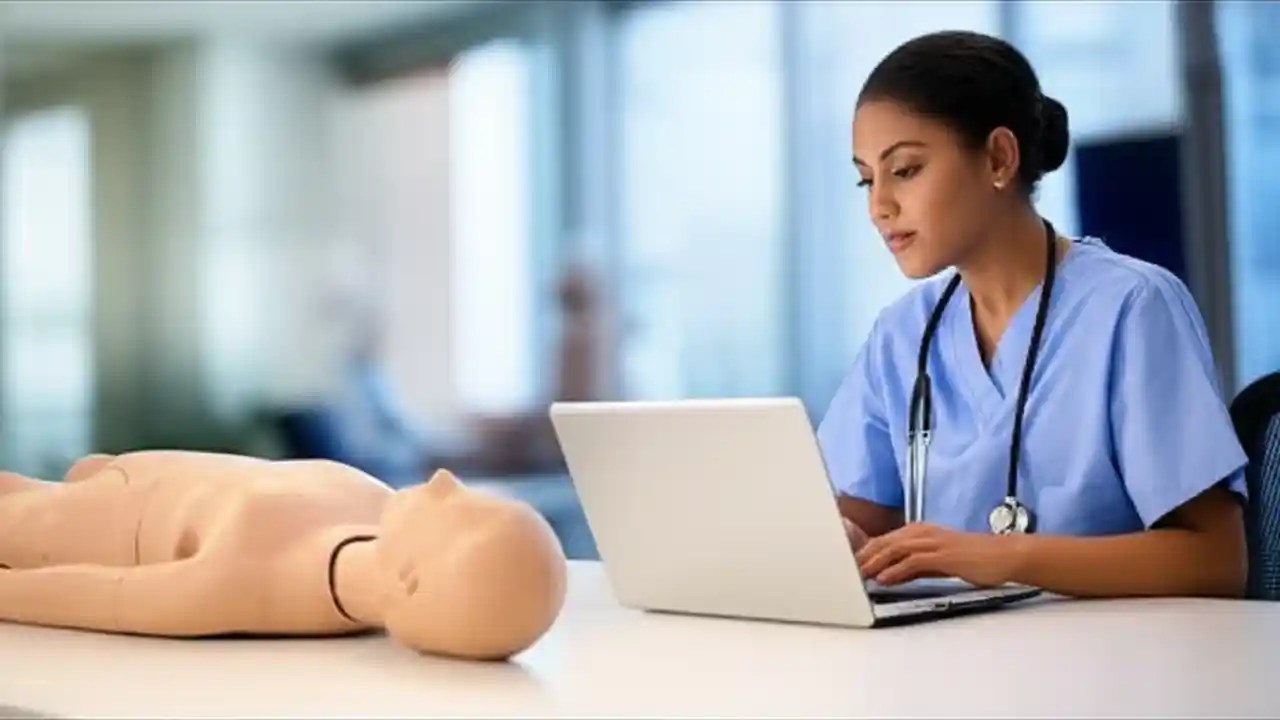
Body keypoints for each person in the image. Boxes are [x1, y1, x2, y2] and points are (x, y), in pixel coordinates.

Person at [819, 30, 1249, 599]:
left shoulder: (1133, 308)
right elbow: (862, 527)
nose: (879, 207)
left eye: (905, 170)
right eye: (866, 179)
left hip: (1116, 650)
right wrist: (839, 540)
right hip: (950, 650)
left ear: (999, 158)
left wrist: (1007, 557)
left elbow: (1216, 560)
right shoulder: (900, 336)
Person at [0, 451, 567, 661]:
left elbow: (106, 596)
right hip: (111, 478)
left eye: (458, 509)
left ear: (410, 580)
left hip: (62, 526)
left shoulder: (252, 583)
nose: (445, 480)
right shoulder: (375, 502)